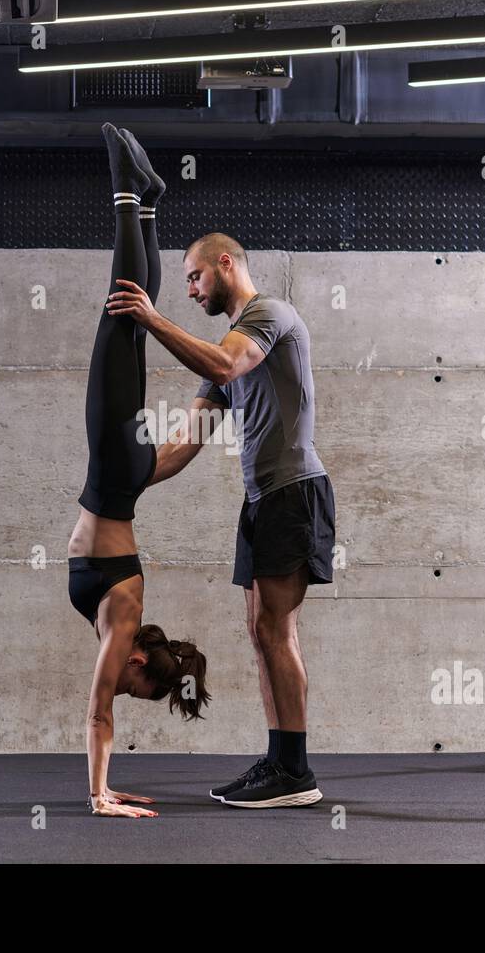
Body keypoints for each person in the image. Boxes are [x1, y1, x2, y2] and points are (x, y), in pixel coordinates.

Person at [105, 232, 333, 809]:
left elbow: (229, 363)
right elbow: (186, 443)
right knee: (262, 633)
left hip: (293, 493)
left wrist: (152, 321)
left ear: (224, 265)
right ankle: (280, 759)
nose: (188, 288)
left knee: (277, 630)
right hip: (261, 500)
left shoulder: (268, 316)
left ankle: (296, 771)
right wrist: (119, 487)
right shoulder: (226, 353)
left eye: (194, 276)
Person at [68, 124, 210, 819]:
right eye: (141, 690)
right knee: (122, 313)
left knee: (125, 320)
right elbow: (97, 712)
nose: (128, 693)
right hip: (114, 472)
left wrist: (209, 410)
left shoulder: (118, 625)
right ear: (138, 666)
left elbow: (181, 453)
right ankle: (129, 191)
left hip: (120, 479)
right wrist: (100, 796)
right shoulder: (122, 624)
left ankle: (147, 200)